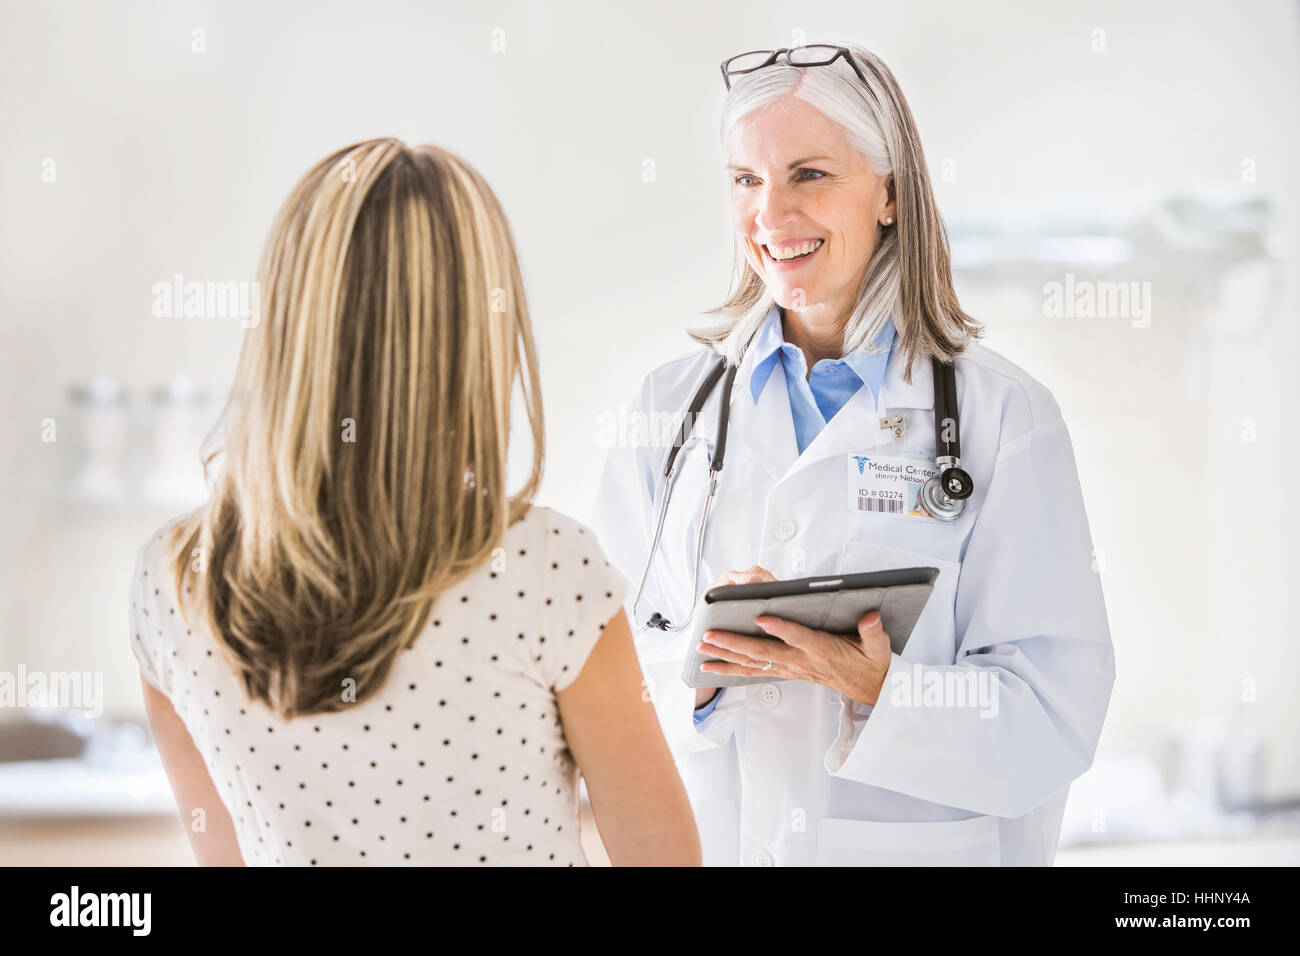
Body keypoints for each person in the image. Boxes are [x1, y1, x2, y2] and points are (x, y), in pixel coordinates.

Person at [590, 44, 1115, 866]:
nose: (771, 215)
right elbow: (605, 686)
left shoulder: (1006, 418)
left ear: (891, 194)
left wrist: (880, 690)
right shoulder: (668, 412)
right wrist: (699, 658)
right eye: (746, 180)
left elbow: (1052, 719)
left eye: (809, 175)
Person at [129, 138, 699, 867]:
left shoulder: (172, 581)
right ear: (476, 331)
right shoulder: (544, 569)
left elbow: (221, 856)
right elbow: (663, 857)